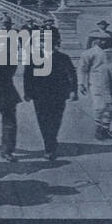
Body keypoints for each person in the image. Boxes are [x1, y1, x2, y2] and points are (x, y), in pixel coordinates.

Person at [23, 29, 78, 162]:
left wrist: (73, 91)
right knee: (43, 121)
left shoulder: (63, 57)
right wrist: (27, 93)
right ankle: (49, 147)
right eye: (41, 43)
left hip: (58, 94)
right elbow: (27, 77)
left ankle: (51, 141)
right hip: (39, 95)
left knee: (55, 120)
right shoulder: (34, 58)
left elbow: (72, 75)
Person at [78, 35, 112, 140]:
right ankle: (98, 129)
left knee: (111, 107)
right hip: (96, 83)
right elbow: (82, 69)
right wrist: (81, 83)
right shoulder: (88, 53)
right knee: (99, 107)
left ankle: (105, 129)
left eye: (105, 39)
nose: (103, 42)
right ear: (95, 40)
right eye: (100, 39)